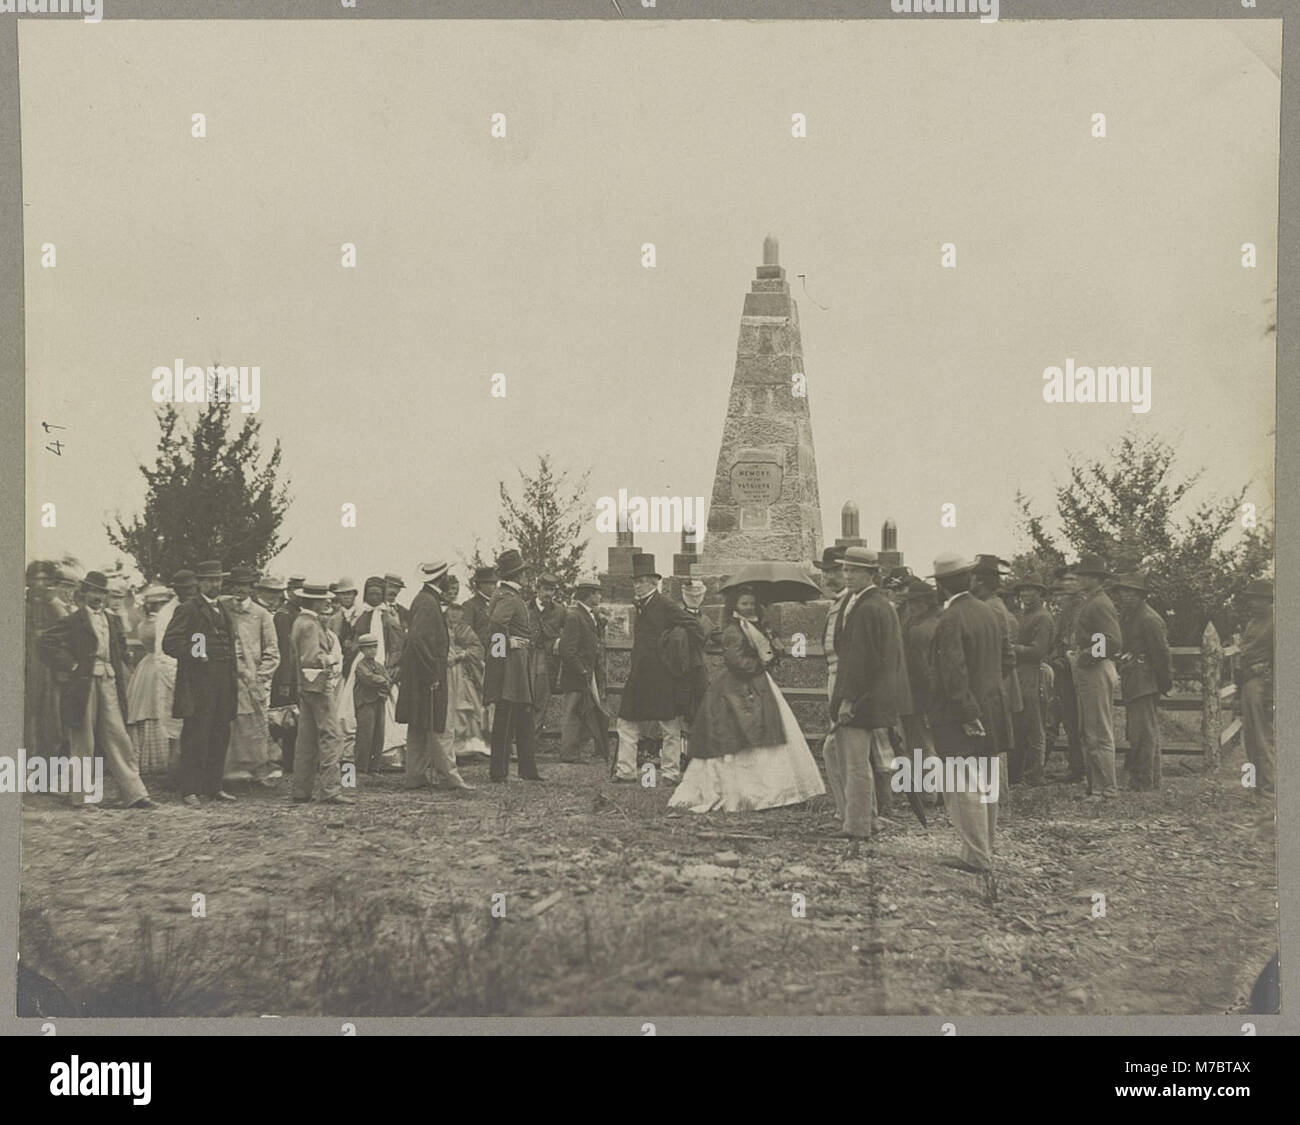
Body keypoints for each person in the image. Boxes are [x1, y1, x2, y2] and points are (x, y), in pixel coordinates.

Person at [670, 586, 825, 813]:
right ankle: (746, 791)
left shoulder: (756, 627)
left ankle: (776, 790)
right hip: (738, 688)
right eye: (744, 604)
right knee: (743, 734)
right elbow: (735, 662)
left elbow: (766, 652)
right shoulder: (734, 630)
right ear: (735, 606)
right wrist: (761, 663)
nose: (749, 607)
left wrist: (773, 648)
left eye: (752, 603)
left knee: (769, 731)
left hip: (759, 685)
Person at [38, 571, 155, 809]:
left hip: (109, 681)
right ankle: (80, 797)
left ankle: (135, 793)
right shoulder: (74, 619)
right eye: (94, 591)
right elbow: (45, 642)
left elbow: (119, 646)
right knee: (84, 739)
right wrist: (70, 664)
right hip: (83, 684)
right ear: (84, 593)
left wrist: (125, 656)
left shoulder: (112, 619)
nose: (99, 597)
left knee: (118, 735)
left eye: (102, 592)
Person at [928, 554, 1006, 888]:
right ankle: (983, 848)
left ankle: (976, 856)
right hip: (991, 705)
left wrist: (966, 711)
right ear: (969, 579)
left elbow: (954, 671)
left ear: (941, 585)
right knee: (986, 782)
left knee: (962, 785)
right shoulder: (989, 612)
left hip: (961, 710)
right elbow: (1004, 659)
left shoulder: (950, 618)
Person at [827, 547, 912, 837]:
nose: (848, 575)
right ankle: (867, 818)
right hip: (874, 695)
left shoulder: (867, 608)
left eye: (855, 571)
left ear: (871, 574)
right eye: (846, 570)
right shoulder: (878, 604)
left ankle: (857, 824)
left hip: (861, 698)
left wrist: (848, 701)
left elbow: (859, 660)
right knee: (845, 755)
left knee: (855, 763)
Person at [614, 554, 708, 785]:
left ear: (654, 582)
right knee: (626, 721)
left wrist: (678, 651)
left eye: (642, 580)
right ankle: (625, 771)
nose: (637, 585)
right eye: (635, 581)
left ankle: (670, 774)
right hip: (639, 674)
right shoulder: (641, 606)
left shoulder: (665, 604)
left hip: (662, 676)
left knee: (669, 725)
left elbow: (695, 627)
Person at [162, 560, 240, 807]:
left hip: (223, 682)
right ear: (200, 583)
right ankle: (190, 790)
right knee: (196, 736)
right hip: (198, 683)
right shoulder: (189, 609)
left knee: (220, 734)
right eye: (209, 580)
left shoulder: (224, 610)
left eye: (218, 580)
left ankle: (214, 787)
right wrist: (197, 652)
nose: (215, 584)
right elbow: (170, 643)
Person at [397, 561, 474, 793]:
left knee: (419, 724)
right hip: (427, 674)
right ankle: (450, 776)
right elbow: (419, 640)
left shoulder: (423, 600)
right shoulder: (429, 603)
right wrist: (431, 674)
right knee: (440, 724)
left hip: (418, 673)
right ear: (441, 579)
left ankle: (415, 775)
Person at [290, 581, 352, 805]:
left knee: (306, 739)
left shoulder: (301, 622)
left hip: (306, 686)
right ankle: (331, 790)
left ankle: (301, 790)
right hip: (317, 685)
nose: (327, 602)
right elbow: (312, 659)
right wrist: (333, 659)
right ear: (313, 601)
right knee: (331, 735)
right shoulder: (311, 625)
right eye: (324, 599)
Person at [484, 549, 542, 782]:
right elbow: (496, 624)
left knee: (522, 715)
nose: (526, 577)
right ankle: (499, 771)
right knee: (507, 715)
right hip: (512, 665)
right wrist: (506, 645)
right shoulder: (508, 597)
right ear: (517, 575)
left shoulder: (507, 594)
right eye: (523, 573)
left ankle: (527, 770)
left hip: (516, 663)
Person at [1110, 573, 1172, 791]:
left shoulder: (1149, 619)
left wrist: (1164, 683)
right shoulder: (1131, 617)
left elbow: (1161, 655)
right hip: (1134, 680)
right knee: (1142, 731)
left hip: (1145, 681)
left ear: (1140, 595)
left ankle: (1143, 780)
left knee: (1143, 733)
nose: (1125, 596)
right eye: (1122, 592)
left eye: (1130, 592)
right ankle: (1149, 779)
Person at [221, 565, 281, 787]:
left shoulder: (261, 615)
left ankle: (258, 771)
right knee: (227, 723)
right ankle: (227, 772)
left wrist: (259, 678)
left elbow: (273, 652)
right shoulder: (222, 607)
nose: (240, 590)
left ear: (251, 588)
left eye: (245, 586)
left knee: (254, 724)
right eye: (236, 585)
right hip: (225, 677)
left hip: (251, 679)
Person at [1070, 554, 1123, 800]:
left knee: (1099, 730)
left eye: (1085, 575)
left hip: (1096, 668)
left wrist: (1086, 655)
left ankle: (1107, 789)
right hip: (1091, 667)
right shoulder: (1091, 601)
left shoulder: (1100, 603)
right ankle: (1097, 786)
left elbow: (1111, 641)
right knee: (1089, 729)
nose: (1080, 578)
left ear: (1096, 578)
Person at [972, 556, 1022, 792]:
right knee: (995, 738)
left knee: (993, 738)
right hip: (995, 680)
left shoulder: (990, 608)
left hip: (993, 682)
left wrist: (989, 677)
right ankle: (997, 790)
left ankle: (997, 790)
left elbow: (1006, 654)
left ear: (980, 582)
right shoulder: (994, 606)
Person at [349, 575, 407, 767]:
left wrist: (391, 666)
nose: (373, 597)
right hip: (363, 664)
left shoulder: (388, 617)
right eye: (370, 593)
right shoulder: (362, 616)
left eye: (377, 593)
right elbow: (355, 639)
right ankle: (359, 762)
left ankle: (383, 759)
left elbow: (397, 643)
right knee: (359, 720)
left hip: (384, 666)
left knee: (383, 721)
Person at [814, 546, 851, 828]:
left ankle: (851, 813)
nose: (829, 577)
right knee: (837, 748)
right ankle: (849, 810)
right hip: (834, 676)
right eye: (826, 572)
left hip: (846, 681)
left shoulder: (852, 603)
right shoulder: (838, 602)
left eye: (836, 571)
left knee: (839, 748)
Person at [124, 584, 177, 776]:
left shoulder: (145, 623)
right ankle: (160, 761)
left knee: (148, 707)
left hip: (147, 665)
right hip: (158, 665)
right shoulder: (157, 624)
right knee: (158, 707)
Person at [900, 575, 942, 804]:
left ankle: (929, 793)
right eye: (909, 603)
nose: (911, 607)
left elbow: (920, 668)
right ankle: (938, 791)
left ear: (927, 603)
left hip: (919, 694)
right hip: (933, 694)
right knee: (931, 743)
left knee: (921, 743)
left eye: (916, 603)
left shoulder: (919, 631)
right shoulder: (937, 623)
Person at [1012, 577, 1055, 786]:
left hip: (1035, 673)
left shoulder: (1043, 618)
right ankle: (1019, 774)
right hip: (1020, 673)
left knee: (1035, 725)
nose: (1025, 594)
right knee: (1019, 725)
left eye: (1030, 590)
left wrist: (1013, 649)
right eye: (1022, 590)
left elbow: (1039, 650)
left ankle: (1035, 774)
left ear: (1040, 593)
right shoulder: (1024, 616)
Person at [557, 579, 606, 763]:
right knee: (573, 713)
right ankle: (569, 753)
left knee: (585, 711)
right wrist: (582, 670)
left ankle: (577, 750)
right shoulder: (574, 615)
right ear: (590, 594)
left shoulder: (586, 614)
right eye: (598, 592)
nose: (600, 596)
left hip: (585, 673)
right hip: (576, 674)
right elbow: (566, 650)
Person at [25, 560, 67, 764]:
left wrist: (53, 601)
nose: (40, 584)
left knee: (51, 726)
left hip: (49, 672)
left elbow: (67, 627)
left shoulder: (54, 605)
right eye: (36, 579)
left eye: (45, 580)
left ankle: (44, 779)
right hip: (26, 670)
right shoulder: (22, 605)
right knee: (25, 724)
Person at [1238, 578, 1274, 799]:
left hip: (1263, 684)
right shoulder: (1252, 623)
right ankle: (1251, 783)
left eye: (1256, 599)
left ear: (1267, 601)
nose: (1252, 603)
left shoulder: (1276, 623)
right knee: (1249, 737)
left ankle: (1270, 787)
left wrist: (1272, 694)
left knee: (1263, 736)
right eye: (1250, 598)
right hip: (1248, 682)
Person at [1049, 565, 1085, 781]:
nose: (1068, 583)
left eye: (1073, 579)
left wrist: (1084, 657)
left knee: (1082, 720)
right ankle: (1076, 767)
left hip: (1080, 668)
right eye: (1065, 580)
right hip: (1064, 669)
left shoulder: (1086, 605)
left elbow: (1096, 639)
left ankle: (1083, 767)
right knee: (1070, 720)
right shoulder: (1066, 607)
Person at [445, 599, 490, 763]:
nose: (454, 617)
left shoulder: (466, 629)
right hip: (445, 670)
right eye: (451, 613)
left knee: (468, 706)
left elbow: (477, 647)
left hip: (463, 671)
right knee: (450, 706)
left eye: (458, 613)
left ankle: (470, 747)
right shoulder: (440, 628)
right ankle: (451, 748)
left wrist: (463, 654)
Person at [527, 572, 566, 741]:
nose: (549, 594)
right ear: (537, 589)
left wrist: (559, 641)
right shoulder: (524, 608)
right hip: (527, 658)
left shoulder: (560, 611)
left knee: (542, 700)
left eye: (552, 590)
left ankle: (531, 741)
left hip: (548, 659)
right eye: (545, 589)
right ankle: (519, 741)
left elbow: (570, 631)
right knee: (525, 699)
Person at [351, 633, 393, 775]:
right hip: (365, 703)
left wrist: (382, 681)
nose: (372, 650)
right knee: (365, 734)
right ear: (362, 650)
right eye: (369, 648)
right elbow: (368, 679)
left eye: (375, 647)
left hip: (379, 701)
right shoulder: (360, 665)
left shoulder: (379, 665)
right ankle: (361, 767)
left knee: (378, 735)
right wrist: (382, 680)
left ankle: (374, 767)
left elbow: (388, 681)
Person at [325, 576, 363, 677]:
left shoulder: (362, 615)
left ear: (354, 595)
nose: (346, 597)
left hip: (358, 662)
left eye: (349, 593)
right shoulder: (333, 619)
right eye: (342, 594)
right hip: (340, 664)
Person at [462, 567, 497, 652]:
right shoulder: (470, 605)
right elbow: (466, 636)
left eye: (496, 583)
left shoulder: (497, 604)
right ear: (481, 584)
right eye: (492, 583)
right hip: (479, 658)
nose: (495, 587)